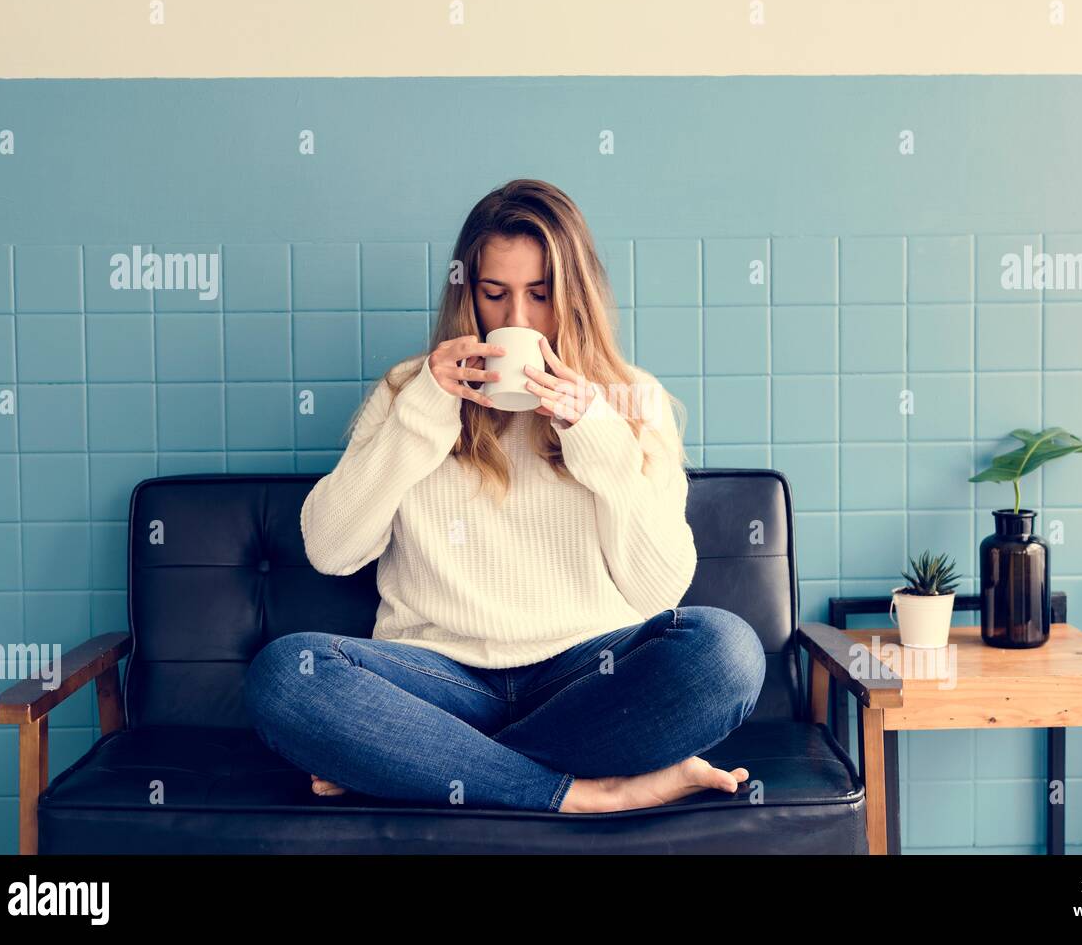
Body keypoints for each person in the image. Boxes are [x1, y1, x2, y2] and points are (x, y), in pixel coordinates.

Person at [244, 178, 765, 813]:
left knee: (728, 653)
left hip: (583, 679)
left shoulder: (630, 399)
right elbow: (331, 549)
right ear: (470, 296)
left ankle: (418, 761)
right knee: (285, 676)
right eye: (496, 294)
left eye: (540, 296)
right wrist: (425, 412)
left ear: (574, 297)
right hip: (439, 680)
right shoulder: (411, 390)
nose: (517, 321)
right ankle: (580, 794)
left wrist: (594, 434)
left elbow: (659, 591)